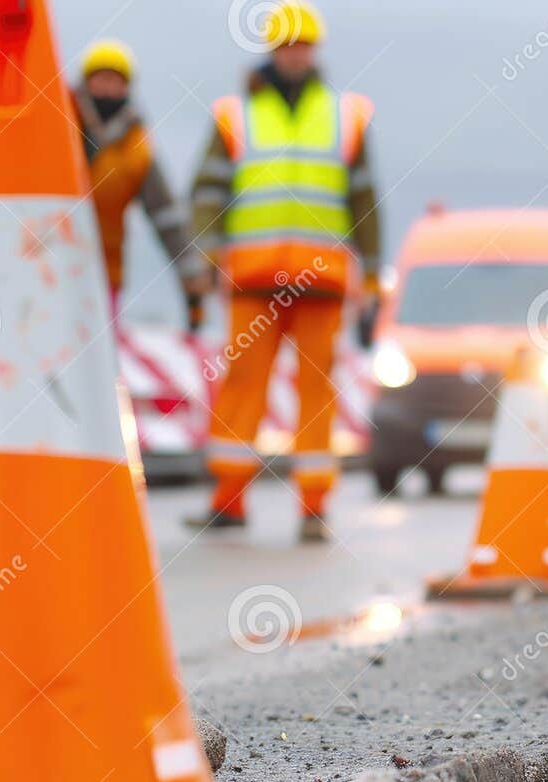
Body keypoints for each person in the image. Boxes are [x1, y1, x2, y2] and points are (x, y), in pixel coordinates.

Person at [185, 1, 381, 544]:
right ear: (273, 50)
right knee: (243, 384)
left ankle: (313, 506)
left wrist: (371, 278)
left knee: (318, 389)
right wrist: (204, 253)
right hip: (253, 276)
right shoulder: (236, 115)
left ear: (313, 51)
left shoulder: (346, 117)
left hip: (321, 281)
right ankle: (228, 501)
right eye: (287, 45)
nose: (295, 55)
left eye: (303, 45)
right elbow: (207, 193)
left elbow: (364, 203)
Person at [72, 40, 210, 325]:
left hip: (103, 273)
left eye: (115, 80)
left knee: (97, 357)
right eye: (101, 79)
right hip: (44, 264)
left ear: (127, 88)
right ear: (86, 83)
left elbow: (167, 218)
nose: (108, 88)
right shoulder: (58, 122)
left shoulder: (138, 149)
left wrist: (191, 278)